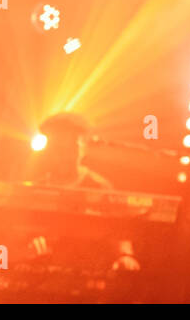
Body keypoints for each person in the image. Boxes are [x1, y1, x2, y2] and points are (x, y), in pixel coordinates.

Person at [29, 112, 139, 276]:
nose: (64, 155)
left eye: (71, 148)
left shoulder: (99, 187)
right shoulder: (38, 188)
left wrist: (125, 255)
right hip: (42, 274)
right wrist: (27, 246)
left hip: (87, 271)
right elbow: (17, 234)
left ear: (83, 149)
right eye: (58, 148)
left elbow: (118, 228)